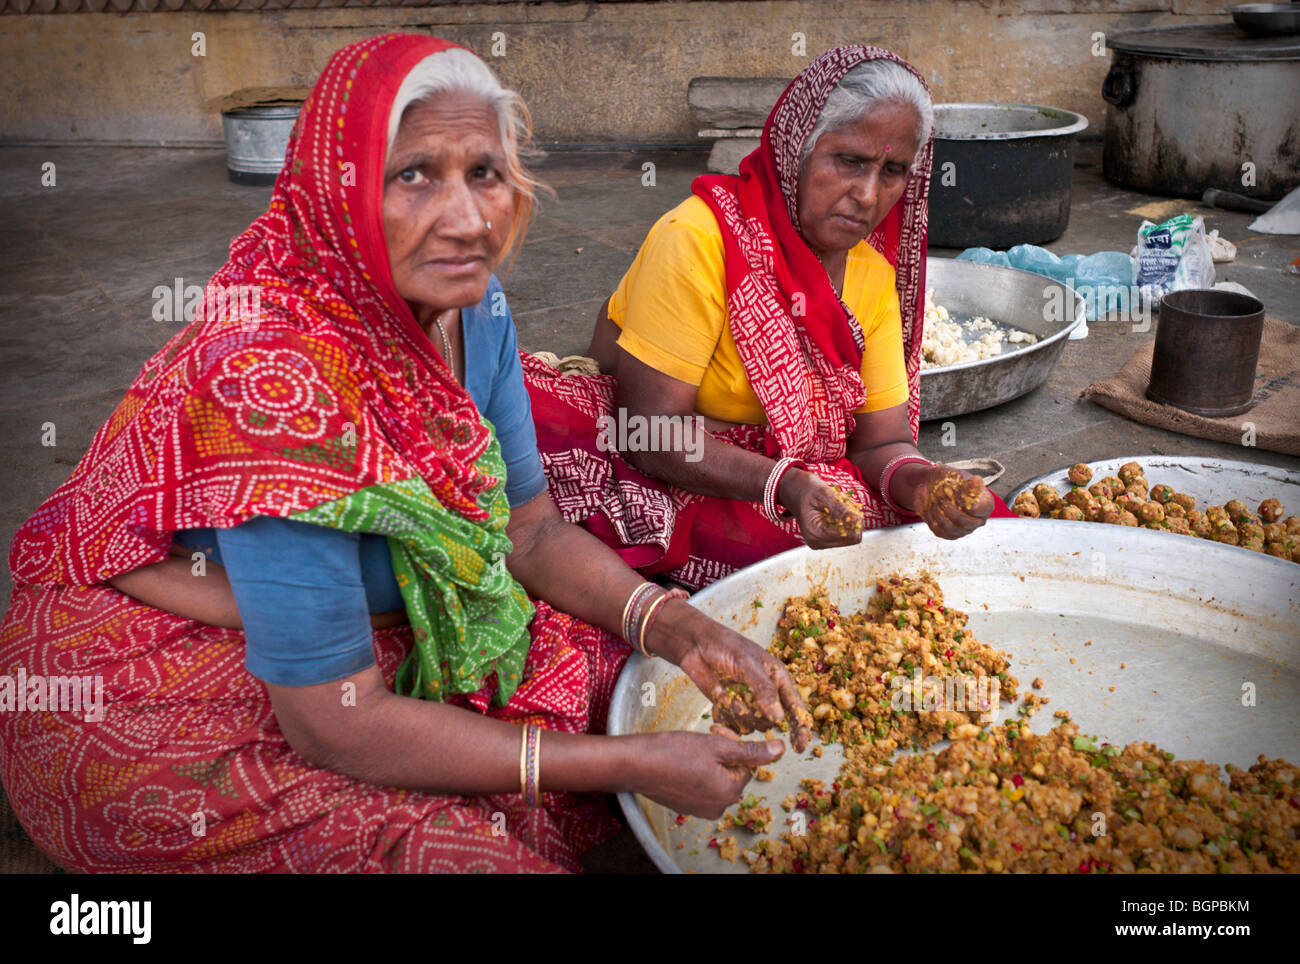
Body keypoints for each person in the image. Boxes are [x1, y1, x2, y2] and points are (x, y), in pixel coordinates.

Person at [0, 34, 810, 874]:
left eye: (485, 174)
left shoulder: (473, 308)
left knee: (627, 683)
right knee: (460, 851)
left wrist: (675, 626)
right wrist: (625, 765)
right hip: (168, 671)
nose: (466, 221)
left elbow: (527, 535)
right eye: (414, 174)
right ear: (338, 191)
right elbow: (335, 721)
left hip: (364, 636)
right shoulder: (272, 384)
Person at [524, 46, 1013, 591]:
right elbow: (647, 431)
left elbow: (878, 445)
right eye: (849, 161)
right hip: (660, 458)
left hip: (787, 473)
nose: (868, 194)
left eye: (893, 170)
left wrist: (920, 484)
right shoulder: (700, 239)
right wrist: (786, 486)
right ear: (796, 150)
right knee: (817, 569)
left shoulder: (873, 278)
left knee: (984, 527)